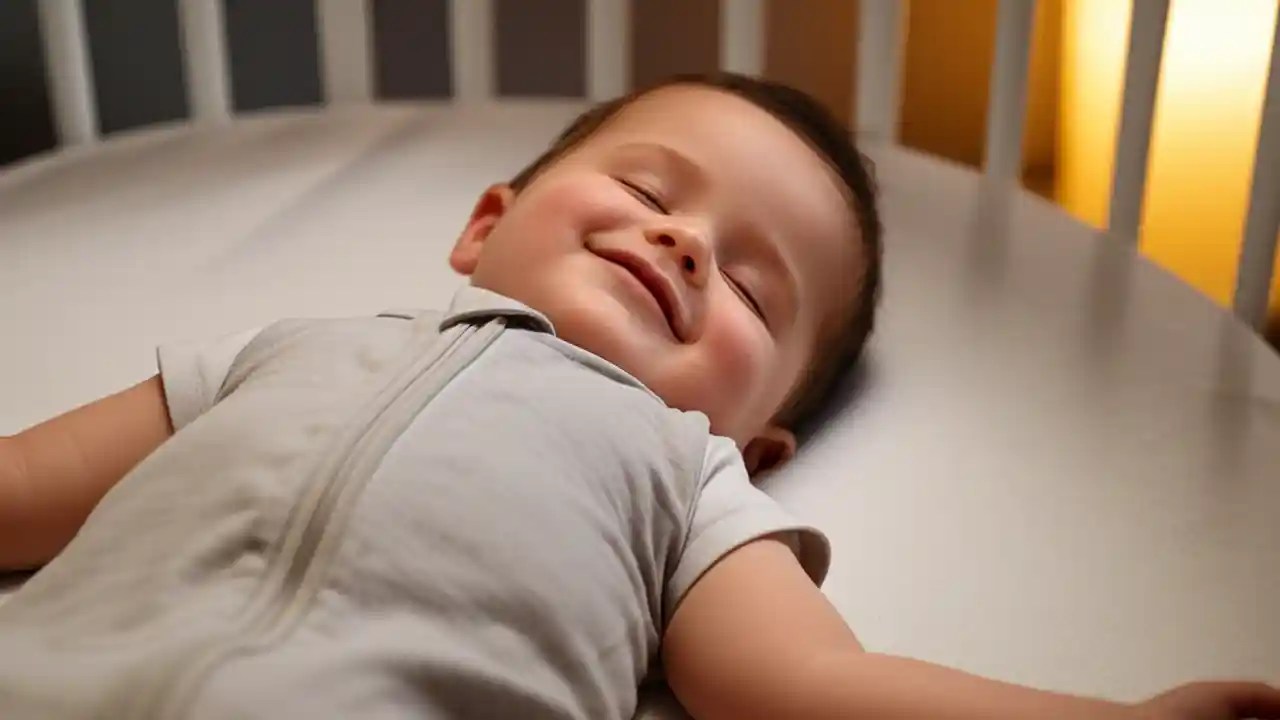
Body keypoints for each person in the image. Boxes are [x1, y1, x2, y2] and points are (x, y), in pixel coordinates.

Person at [0, 72, 1275, 720]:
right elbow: (18, 492)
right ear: (485, 224)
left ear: (759, 440)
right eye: (650, 192)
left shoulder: (682, 475)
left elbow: (808, 690)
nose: (682, 245)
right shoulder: (280, 350)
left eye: (753, 290)